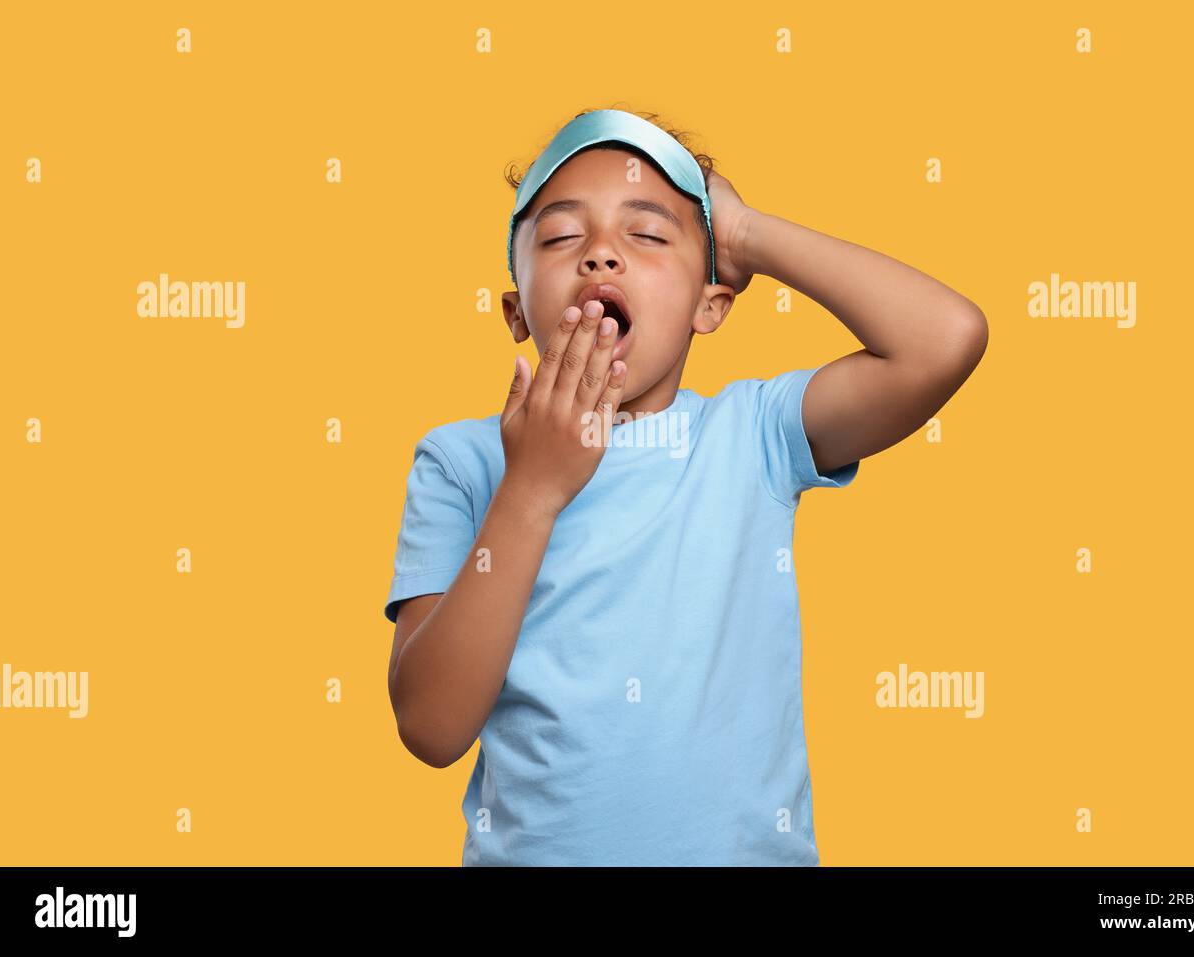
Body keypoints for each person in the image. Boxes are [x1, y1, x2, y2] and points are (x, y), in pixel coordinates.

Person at [384, 106, 988, 865]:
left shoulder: (752, 435)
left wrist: (743, 237)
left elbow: (945, 338)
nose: (602, 256)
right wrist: (531, 489)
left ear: (711, 304)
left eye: (646, 234)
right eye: (564, 235)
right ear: (514, 310)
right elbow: (431, 727)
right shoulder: (461, 462)